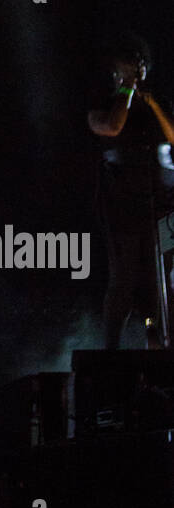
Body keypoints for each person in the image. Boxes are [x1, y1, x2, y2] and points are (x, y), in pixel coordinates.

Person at [88, 34, 174, 348]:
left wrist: (151, 103)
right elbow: (111, 127)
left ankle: (161, 347)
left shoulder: (159, 103)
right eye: (130, 60)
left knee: (163, 280)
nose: (138, 66)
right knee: (124, 278)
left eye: (140, 60)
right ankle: (111, 349)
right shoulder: (105, 102)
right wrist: (126, 89)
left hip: (163, 205)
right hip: (122, 206)